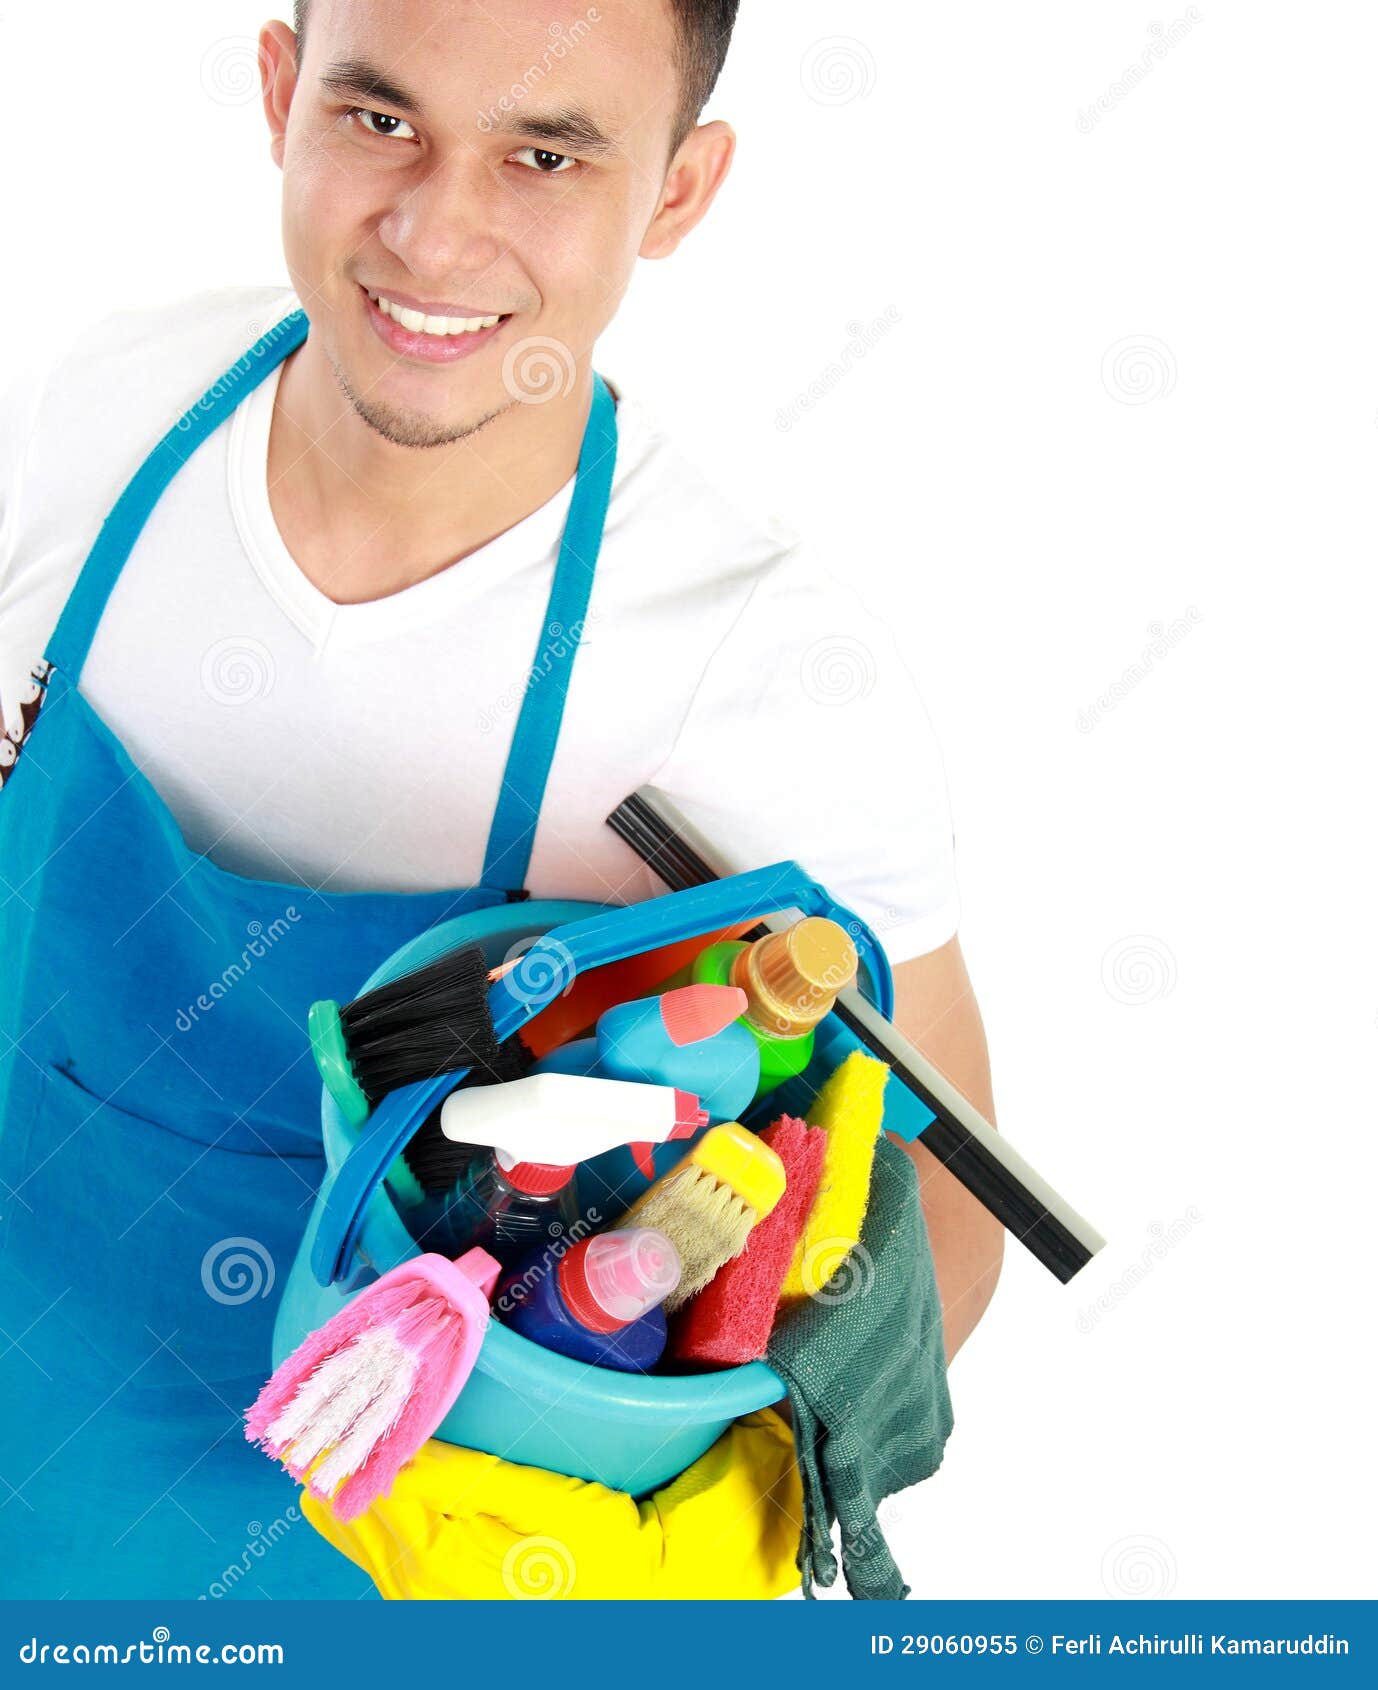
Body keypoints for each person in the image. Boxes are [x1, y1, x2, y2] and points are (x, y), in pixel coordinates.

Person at [0, 0, 1002, 1599]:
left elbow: (934, 1219)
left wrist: (664, 1457)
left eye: (546, 154)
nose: (433, 228)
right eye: (377, 118)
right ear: (280, 91)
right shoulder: (102, 414)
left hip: (368, 1564)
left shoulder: (753, 678)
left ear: (675, 192)